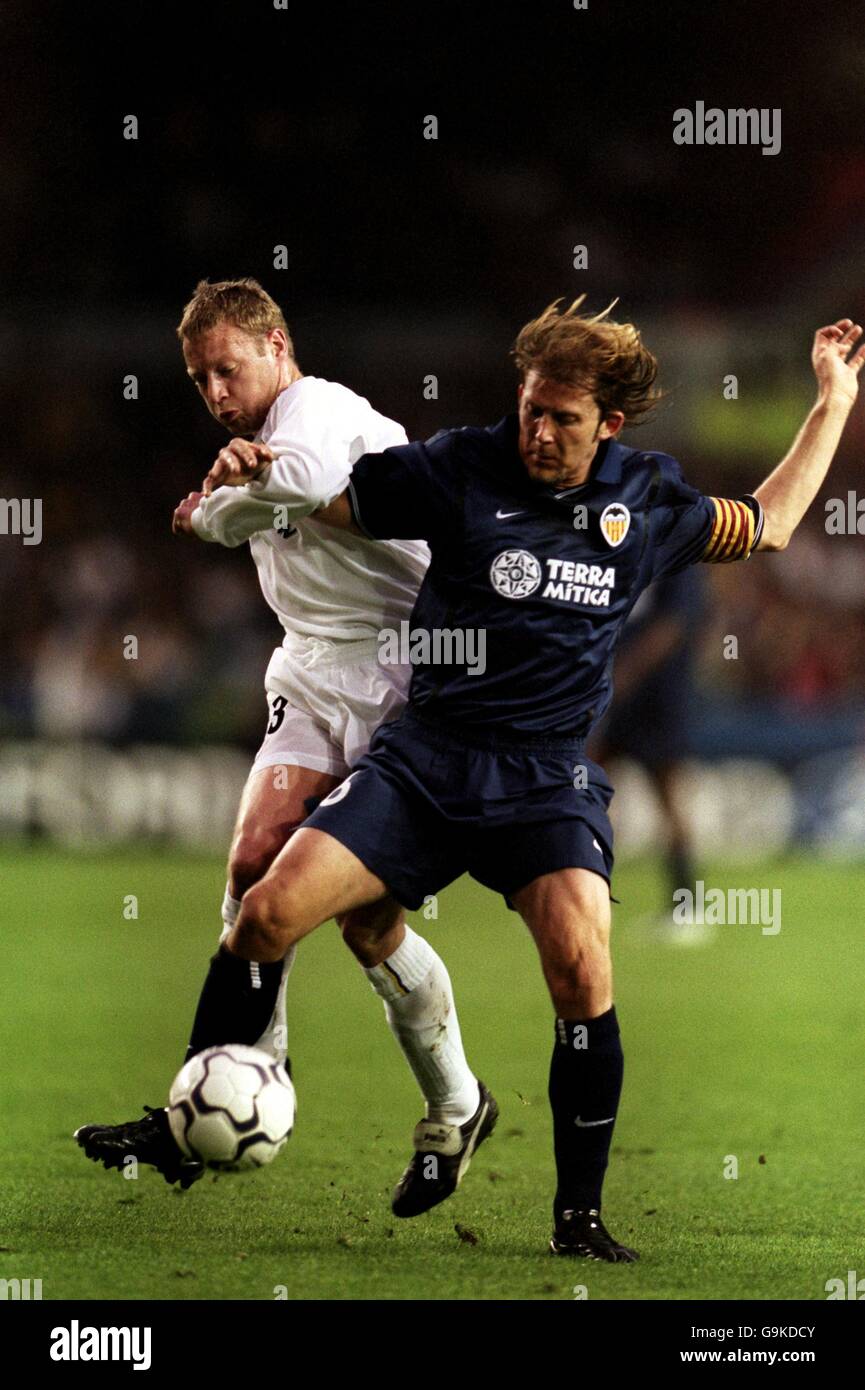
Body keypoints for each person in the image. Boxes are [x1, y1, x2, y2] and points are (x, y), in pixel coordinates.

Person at [179, 298, 862, 1260]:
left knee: (582, 968)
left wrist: (831, 401)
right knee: (263, 910)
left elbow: (772, 523)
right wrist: (252, 482)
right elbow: (336, 500)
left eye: (562, 418)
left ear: (610, 425)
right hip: (424, 759)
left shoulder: (646, 500)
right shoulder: (463, 465)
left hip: (543, 779)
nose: (536, 431)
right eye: (530, 408)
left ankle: (577, 1218)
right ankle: (191, 1117)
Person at [75, 279, 496, 1213]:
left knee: (365, 926)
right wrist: (225, 502)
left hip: (400, 686)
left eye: (227, 368)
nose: (217, 392)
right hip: (306, 674)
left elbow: (287, 489)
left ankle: (456, 1105)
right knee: (251, 869)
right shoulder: (254, 440)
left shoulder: (322, 410)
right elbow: (219, 523)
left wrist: (230, 495)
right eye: (199, 380)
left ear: (278, 344)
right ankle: (223, 1084)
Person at [590, 566, 709, 937]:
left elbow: (673, 625)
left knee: (668, 794)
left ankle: (687, 906)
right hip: (621, 694)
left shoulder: (681, 556)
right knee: (587, 789)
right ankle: (583, 898)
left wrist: (622, 673)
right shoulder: (629, 546)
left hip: (659, 695)